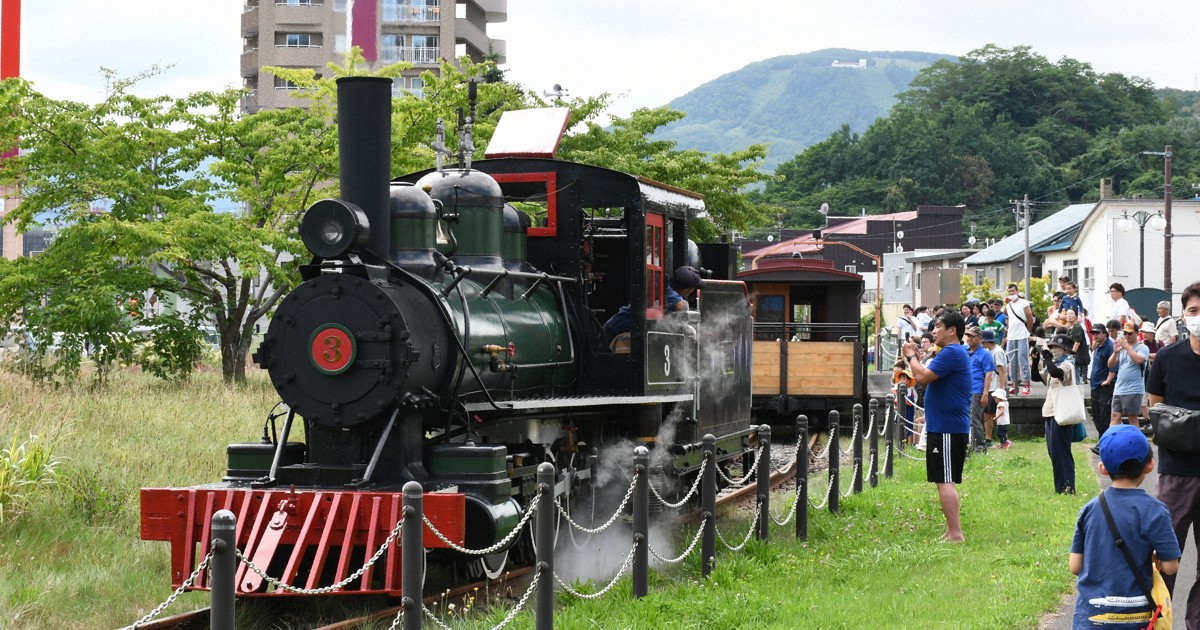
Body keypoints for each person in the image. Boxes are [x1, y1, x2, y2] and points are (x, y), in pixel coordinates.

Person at [1070, 424, 1181, 628]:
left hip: (1092, 617)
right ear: (1150, 465)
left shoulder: (1089, 510)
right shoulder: (1156, 511)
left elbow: (1075, 566)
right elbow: (1171, 567)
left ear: (1102, 468)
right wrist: (1156, 557)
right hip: (1137, 618)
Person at [1147, 281, 1200, 627]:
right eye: (1194, 311)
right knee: (1164, 555)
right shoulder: (1167, 358)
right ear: (1183, 315)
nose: (1199, 317)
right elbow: (1155, 410)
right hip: (1176, 471)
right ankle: (1157, 621)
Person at [900, 309, 971, 542]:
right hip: (943, 425)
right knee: (942, 478)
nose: (934, 330)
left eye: (938, 326)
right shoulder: (950, 352)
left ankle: (955, 533)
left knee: (945, 479)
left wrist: (911, 356)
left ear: (952, 330)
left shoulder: (952, 352)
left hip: (948, 428)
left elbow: (922, 377)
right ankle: (951, 530)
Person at [602, 265, 704, 349]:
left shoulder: (666, 288)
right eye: (693, 289)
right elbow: (681, 306)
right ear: (686, 290)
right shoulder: (668, 292)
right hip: (615, 327)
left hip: (618, 325)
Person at [1040, 333, 1078, 494]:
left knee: (1062, 451)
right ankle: (1060, 486)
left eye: (1056, 347)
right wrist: (1037, 358)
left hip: (1062, 412)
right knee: (1053, 452)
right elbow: (1040, 376)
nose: (1053, 349)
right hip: (1050, 411)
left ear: (1065, 349)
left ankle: (1068, 486)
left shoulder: (1067, 364)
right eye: (1052, 346)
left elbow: (1057, 373)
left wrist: (1047, 357)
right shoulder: (1054, 363)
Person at [1108, 321, 1149, 428]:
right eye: (1125, 333)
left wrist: (1127, 347)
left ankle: (1136, 443)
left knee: (1132, 418)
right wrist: (1115, 352)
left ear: (1136, 333)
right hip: (1119, 388)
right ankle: (1111, 442)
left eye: (1130, 333)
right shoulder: (1121, 348)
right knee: (1115, 416)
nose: (1127, 336)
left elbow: (1139, 360)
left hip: (1133, 389)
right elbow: (1110, 364)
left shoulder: (1142, 347)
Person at [964, 326, 995, 452]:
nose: (969, 338)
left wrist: (985, 394)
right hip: (964, 391)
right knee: (967, 419)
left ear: (979, 338)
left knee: (974, 419)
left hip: (976, 391)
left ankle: (980, 446)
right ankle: (968, 445)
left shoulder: (985, 354)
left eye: (972, 336)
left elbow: (988, 375)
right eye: (968, 336)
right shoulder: (964, 350)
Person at [1004, 283, 1035, 396]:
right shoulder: (1008, 305)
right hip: (1011, 335)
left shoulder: (1024, 303)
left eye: (1013, 291)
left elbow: (1030, 318)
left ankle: (1027, 384)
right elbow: (1007, 316)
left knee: (1023, 360)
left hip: (1022, 335)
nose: (1011, 293)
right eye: (1009, 291)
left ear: (1017, 292)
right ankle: (1014, 384)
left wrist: (1028, 331)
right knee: (1012, 361)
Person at [1089, 323, 1117, 441]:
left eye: (1097, 333)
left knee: (1104, 417)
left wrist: (1108, 381)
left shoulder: (1109, 346)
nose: (1094, 335)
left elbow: (1114, 366)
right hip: (1095, 386)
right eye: (1093, 333)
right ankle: (1101, 441)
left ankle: (1104, 442)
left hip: (1104, 387)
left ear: (1104, 333)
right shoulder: (1098, 346)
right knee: (1096, 416)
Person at [981, 329, 1007, 447]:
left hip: (995, 388)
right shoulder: (988, 351)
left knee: (995, 414)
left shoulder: (997, 352)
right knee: (987, 414)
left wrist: (1001, 389)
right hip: (989, 386)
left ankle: (1003, 438)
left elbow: (1001, 370)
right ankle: (988, 439)